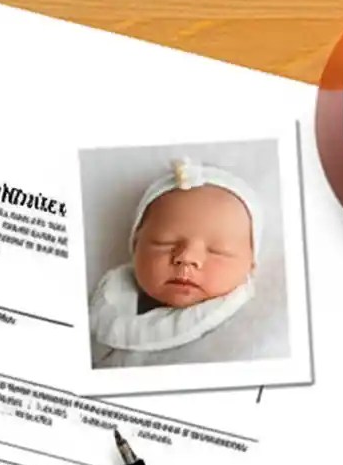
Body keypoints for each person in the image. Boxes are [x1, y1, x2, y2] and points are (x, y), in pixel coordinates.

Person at [88, 158, 262, 368]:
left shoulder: (250, 332)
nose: (186, 257)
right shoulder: (103, 303)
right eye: (164, 243)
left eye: (218, 251)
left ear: (251, 265)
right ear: (135, 246)